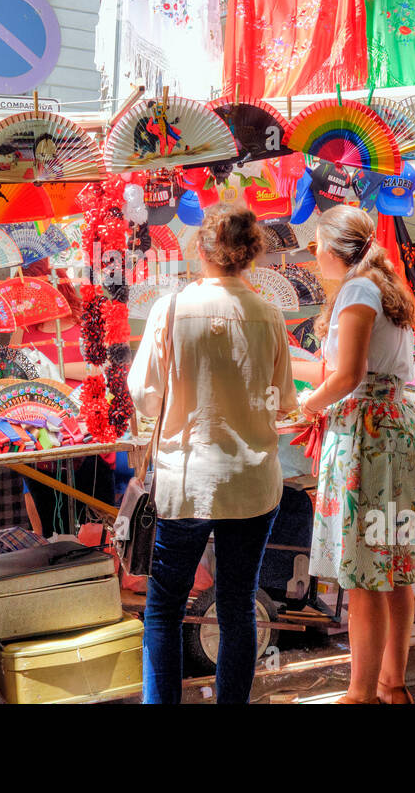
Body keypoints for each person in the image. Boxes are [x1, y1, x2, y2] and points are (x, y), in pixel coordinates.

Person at [128, 203, 297, 704]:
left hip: (186, 480)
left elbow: (143, 393)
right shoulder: (268, 315)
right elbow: (283, 400)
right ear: (251, 255)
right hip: (251, 480)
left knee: (163, 608)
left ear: (199, 250)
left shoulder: (171, 309)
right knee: (237, 604)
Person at [298, 205, 415, 704]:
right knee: (394, 569)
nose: (312, 255)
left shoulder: (358, 289)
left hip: (369, 437)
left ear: (334, 248)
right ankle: (392, 685)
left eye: (315, 245)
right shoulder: (380, 283)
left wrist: (303, 409)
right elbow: (348, 369)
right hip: (392, 431)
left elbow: (349, 373)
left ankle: (360, 694)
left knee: (363, 574)